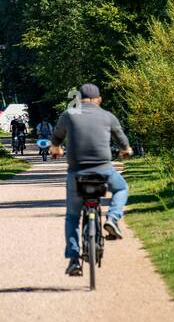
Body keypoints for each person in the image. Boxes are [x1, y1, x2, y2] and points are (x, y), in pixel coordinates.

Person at [50, 84, 133, 278]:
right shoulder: (108, 116)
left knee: (72, 216)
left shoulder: (69, 114)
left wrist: (56, 148)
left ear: (79, 99)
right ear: (98, 99)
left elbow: (56, 137)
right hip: (103, 170)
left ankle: (73, 260)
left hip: (77, 172)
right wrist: (125, 151)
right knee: (121, 188)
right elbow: (122, 141)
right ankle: (113, 218)